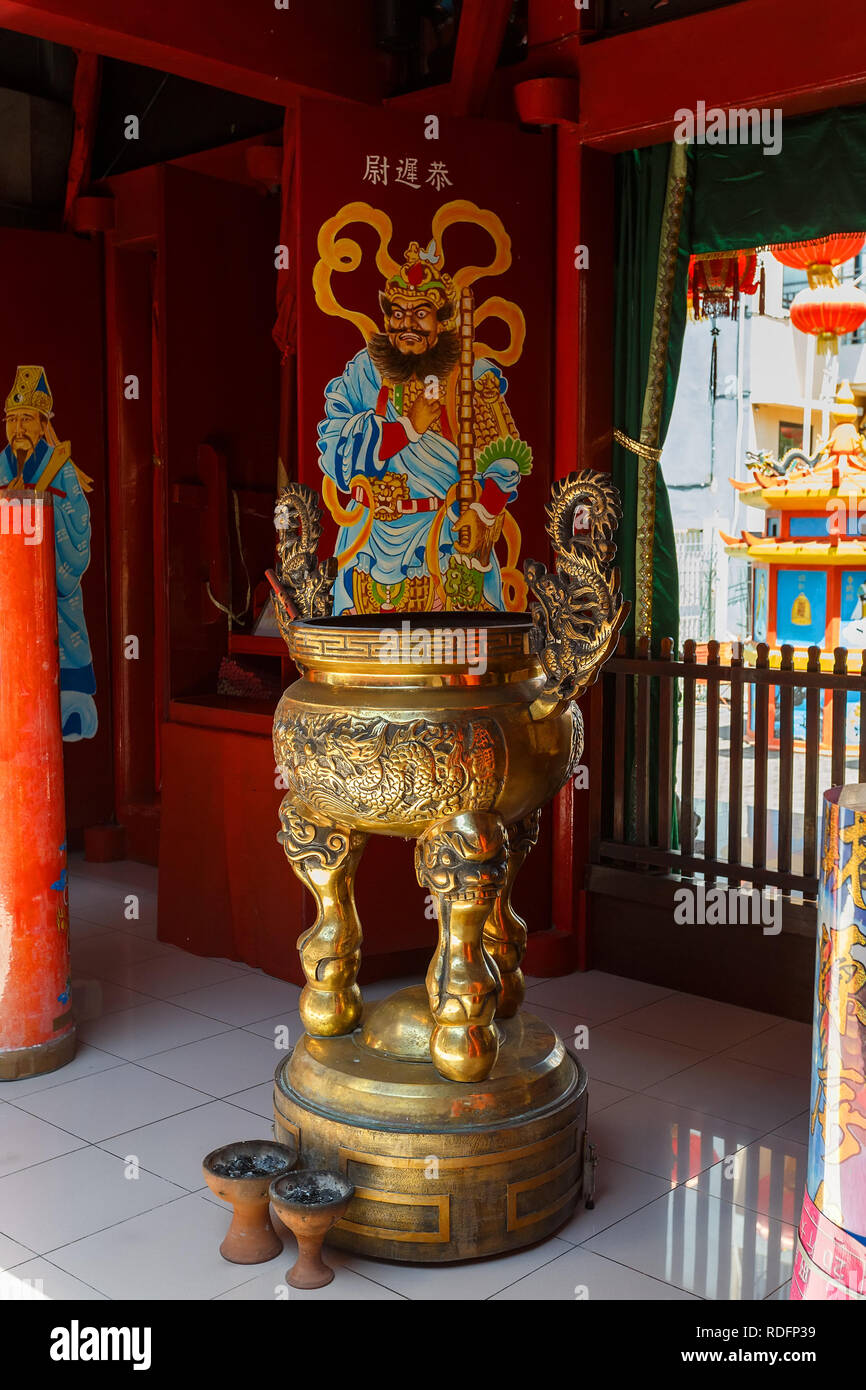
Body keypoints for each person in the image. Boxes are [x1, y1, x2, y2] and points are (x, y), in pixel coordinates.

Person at [317, 239, 530, 614]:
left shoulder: (469, 377)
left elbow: (506, 458)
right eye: (397, 314)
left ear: (442, 320)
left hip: (445, 535)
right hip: (369, 540)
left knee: (454, 658)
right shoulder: (364, 372)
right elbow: (335, 447)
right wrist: (405, 431)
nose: (407, 325)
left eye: (420, 314)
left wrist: (482, 513)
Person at [0, 365, 97, 740]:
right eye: (12, 419)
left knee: (63, 639)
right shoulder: (1, 466)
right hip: (8, 593)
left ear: (44, 425)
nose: (18, 428)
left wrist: (47, 530)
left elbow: (79, 533)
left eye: (27, 419)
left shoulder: (63, 470)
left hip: (54, 592)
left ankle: (71, 707)